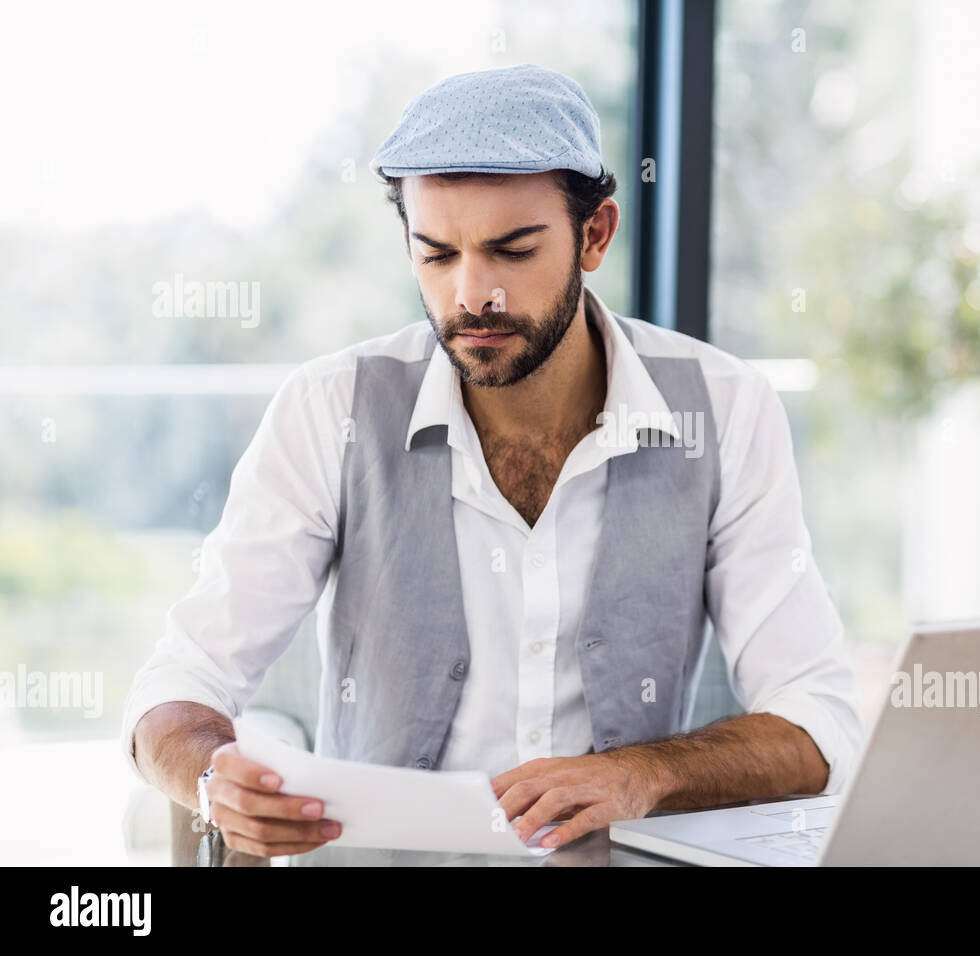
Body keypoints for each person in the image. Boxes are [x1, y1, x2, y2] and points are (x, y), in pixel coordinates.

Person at [123, 63, 864, 858]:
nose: (473, 295)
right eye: (436, 255)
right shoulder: (328, 409)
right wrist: (211, 777)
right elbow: (178, 687)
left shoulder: (724, 408)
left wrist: (639, 774)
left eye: (511, 251)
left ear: (596, 234)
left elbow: (817, 724)